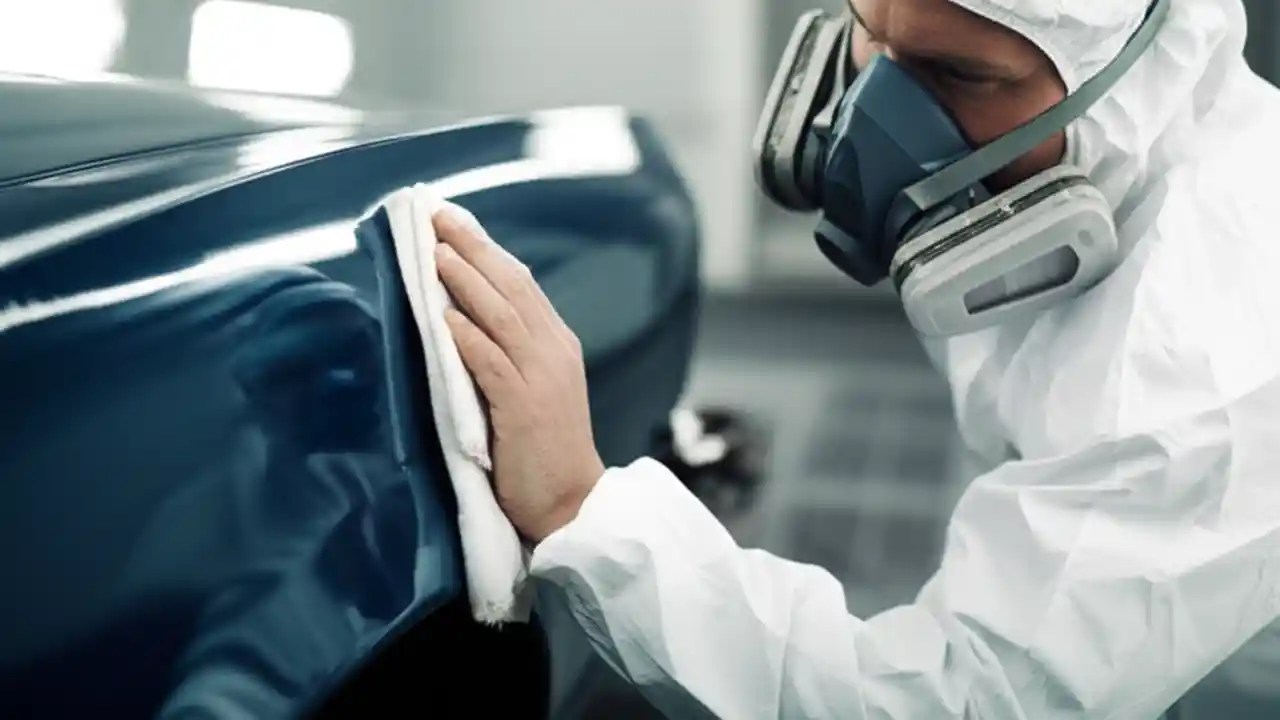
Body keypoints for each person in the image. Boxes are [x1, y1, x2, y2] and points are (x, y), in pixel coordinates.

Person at [431, 0, 1280, 716]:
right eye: (870, 28)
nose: (873, 108)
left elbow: (960, 699)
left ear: (1127, 78)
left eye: (962, 77)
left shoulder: (1204, 358)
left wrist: (585, 508)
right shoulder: (1101, 182)